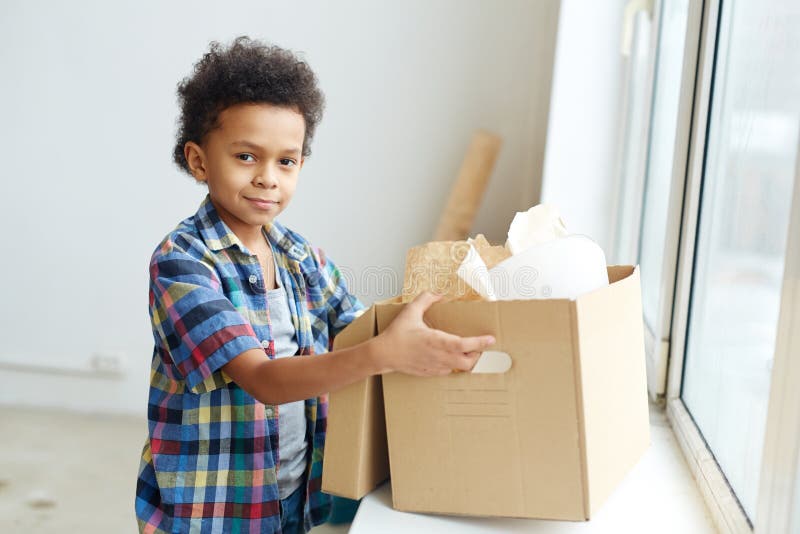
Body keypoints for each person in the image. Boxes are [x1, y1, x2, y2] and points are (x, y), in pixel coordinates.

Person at [134, 35, 496, 533]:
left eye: (286, 161)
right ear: (199, 161)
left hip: (290, 495)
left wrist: (441, 326)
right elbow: (264, 380)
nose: (268, 177)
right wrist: (386, 353)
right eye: (246, 156)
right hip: (211, 509)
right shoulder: (181, 263)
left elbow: (359, 327)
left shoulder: (298, 255)